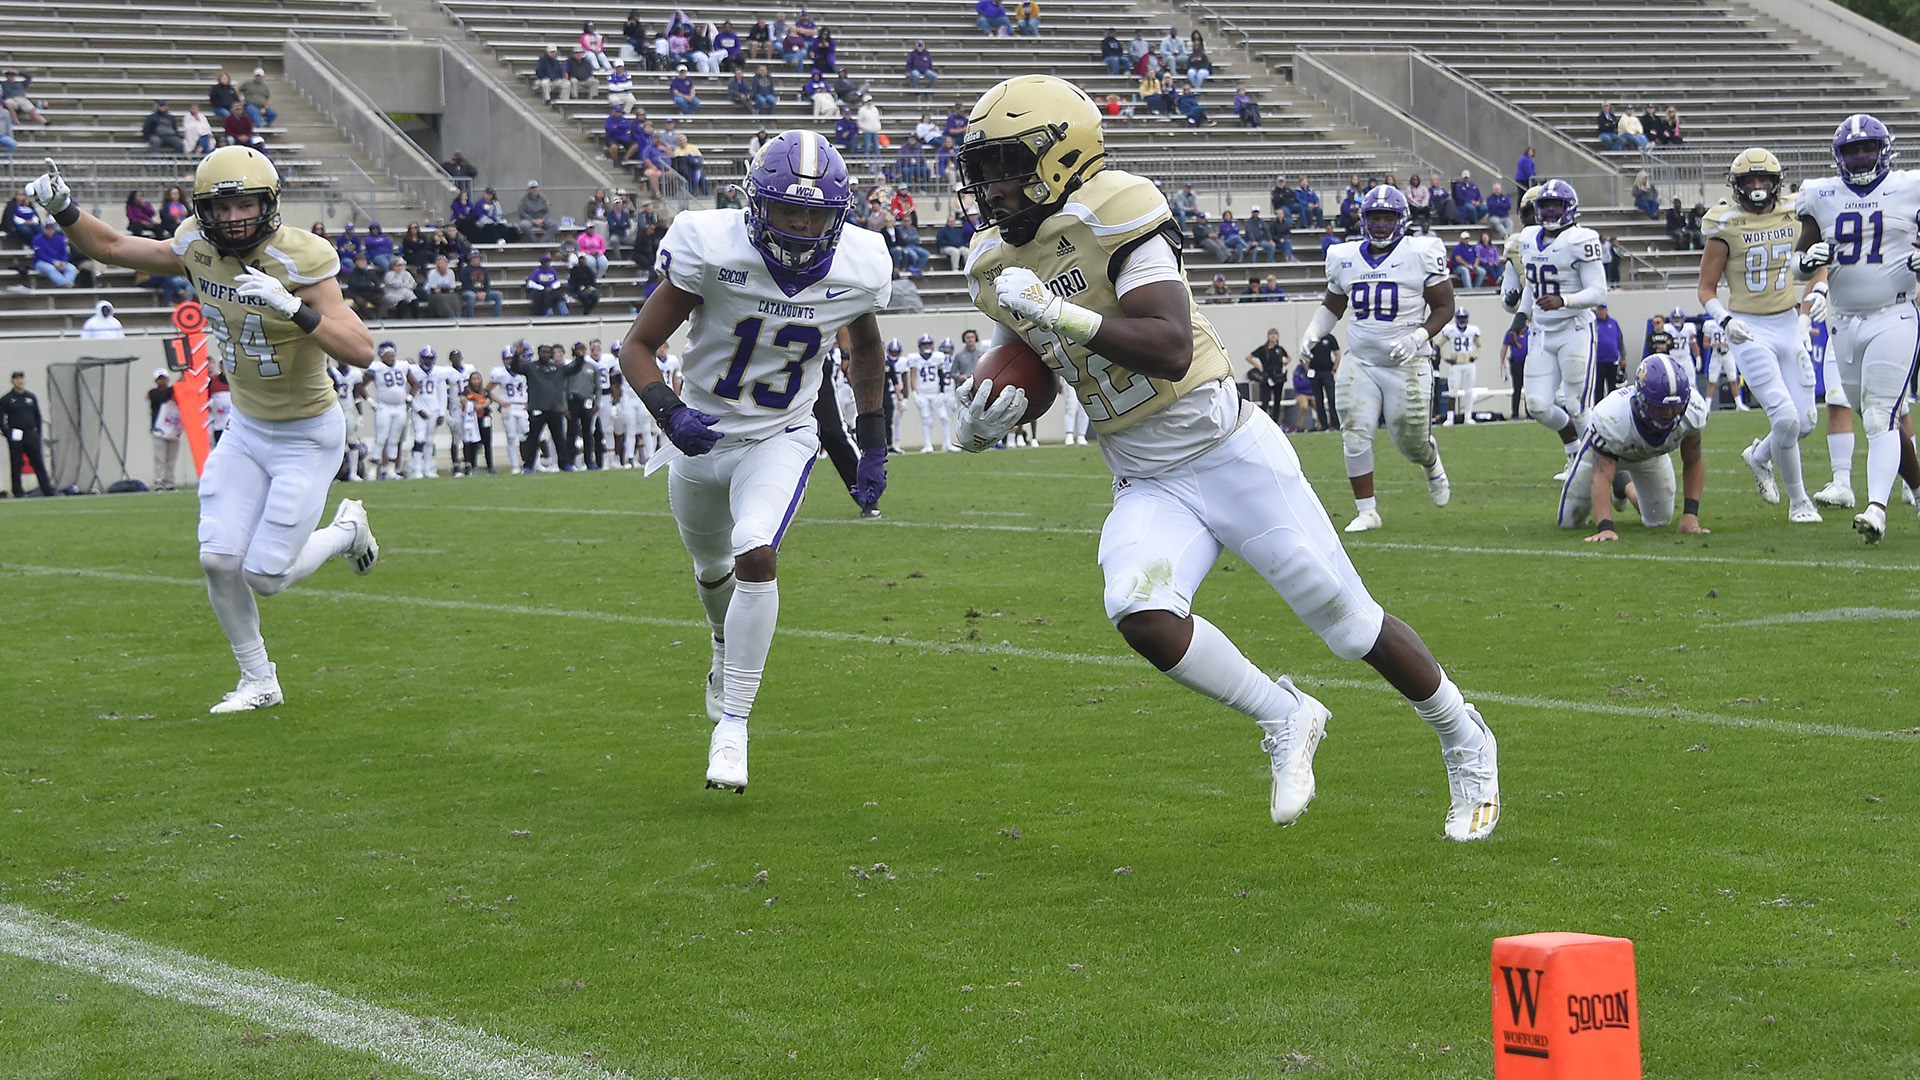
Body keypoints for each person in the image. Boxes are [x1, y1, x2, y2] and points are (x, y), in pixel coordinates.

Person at [953, 75, 1498, 839]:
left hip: (1226, 449)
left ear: (1062, 154)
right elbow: (1035, 362)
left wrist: (1059, 310)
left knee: (1348, 623)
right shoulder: (989, 260)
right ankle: (1285, 713)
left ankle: (1464, 736)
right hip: (1142, 473)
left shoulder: (1115, 209)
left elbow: (1169, 347)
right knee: (1140, 612)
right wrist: (989, 415)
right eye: (980, 170)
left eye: (1005, 164)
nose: (990, 187)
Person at [28, 148, 378, 708]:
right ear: (202, 209)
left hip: (307, 433)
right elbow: (113, 247)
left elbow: (361, 350)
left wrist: (295, 309)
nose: (234, 217)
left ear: (270, 204)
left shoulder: (303, 259)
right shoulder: (195, 243)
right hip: (246, 426)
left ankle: (345, 529)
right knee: (218, 559)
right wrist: (65, 208)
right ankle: (259, 679)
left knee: (266, 574)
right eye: (222, 205)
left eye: (246, 203)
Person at [615, 131, 893, 794]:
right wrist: (668, 412)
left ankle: (732, 726)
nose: (801, 227)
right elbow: (639, 346)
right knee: (711, 568)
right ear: (755, 205)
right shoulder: (709, 247)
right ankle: (721, 647)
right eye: (788, 211)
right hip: (700, 435)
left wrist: (873, 441)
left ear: (840, 214)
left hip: (780, 435)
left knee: (755, 548)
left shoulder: (860, 264)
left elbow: (867, 350)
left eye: (816, 214)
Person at [1795, 114, 1920, 542]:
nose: (1861, 156)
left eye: (1867, 148)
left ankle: (1877, 509)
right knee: (1874, 414)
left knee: (1879, 414)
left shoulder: (1910, 186)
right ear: (1838, 157)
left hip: (1894, 313)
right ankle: (1919, 489)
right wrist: (1806, 265)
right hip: (1843, 321)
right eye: (1852, 151)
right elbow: (1798, 260)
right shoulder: (1821, 195)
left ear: (1884, 151)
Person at [1304, 185, 1455, 532]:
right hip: (1361, 361)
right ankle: (1367, 510)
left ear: (1401, 221)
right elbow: (1333, 306)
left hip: (1408, 362)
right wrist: (1313, 332)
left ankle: (1430, 462)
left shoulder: (1422, 252)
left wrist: (1418, 337)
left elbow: (1445, 307)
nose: (1382, 226)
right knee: (1355, 433)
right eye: (1375, 218)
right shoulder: (1345, 256)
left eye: (1388, 219)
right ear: (1363, 221)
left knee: (1411, 442)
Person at [1698, 151, 1821, 519]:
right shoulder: (1725, 223)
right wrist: (1725, 320)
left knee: (1807, 420)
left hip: (1788, 323)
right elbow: (1705, 288)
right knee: (1785, 418)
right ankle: (1800, 502)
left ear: (1775, 182)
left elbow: (1818, 262)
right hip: (1749, 329)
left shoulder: (1795, 211)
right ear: (1737, 186)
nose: (1756, 187)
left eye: (1763, 180)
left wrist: (1810, 305)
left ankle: (1760, 455)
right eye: (1749, 181)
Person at [1504, 179, 1606, 479]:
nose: (1549, 212)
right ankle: (1575, 452)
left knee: (1578, 405)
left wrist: (1565, 300)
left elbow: (1599, 292)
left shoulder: (1581, 239)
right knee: (1536, 405)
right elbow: (1533, 287)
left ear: (1569, 208)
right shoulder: (1527, 238)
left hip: (1575, 329)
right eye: (1544, 206)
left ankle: (1601, 466)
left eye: (1555, 206)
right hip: (1542, 333)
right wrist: (1520, 318)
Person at [1561, 355, 1710, 542]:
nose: (1670, 414)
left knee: (1658, 520)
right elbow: (1601, 474)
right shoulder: (1613, 416)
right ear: (1642, 401)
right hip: (1606, 452)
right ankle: (1617, 481)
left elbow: (1693, 461)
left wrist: (1690, 515)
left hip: (1650, 456)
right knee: (1570, 521)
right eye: (1661, 408)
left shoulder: (1692, 411)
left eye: (1676, 407)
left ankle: (1624, 486)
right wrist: (1605, 527)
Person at [1439, 310, 1481, 424]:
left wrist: (1475, 356)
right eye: (1460, 318)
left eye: (1464, 318)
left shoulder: (1472, 330)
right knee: (1453, 391)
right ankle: (1450, 418)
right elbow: (1438, 345)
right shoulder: (1450, 330)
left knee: (1469, 391)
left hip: (1469, 363)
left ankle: (1468, 417)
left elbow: (1480, 346)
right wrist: (1445, 358)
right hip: (1456, 364)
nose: (1462, 320)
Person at [1245, 328, 1288, 423]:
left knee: (1277, 400)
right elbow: (1249, 357)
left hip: (1278, 377)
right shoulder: (1263, 349)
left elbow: (1288, 357)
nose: (1273, 336)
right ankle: (1264, 421)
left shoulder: (1279, 350)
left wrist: (1284, 363)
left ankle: (1276, 421)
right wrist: (1259, 367)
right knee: (1265, 400)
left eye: (1275, 334)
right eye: (1271, 334)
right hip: (1267, 377)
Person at [31, 221, 78, 287]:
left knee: (72, 268)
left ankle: (67, 283)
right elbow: (40, 254)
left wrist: (64, 262)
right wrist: (53, 262)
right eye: (47, 228)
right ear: (43, 229)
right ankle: (64, 284)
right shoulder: (37, 239)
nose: (49, 230)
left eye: (51, 228)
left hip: (59, 261)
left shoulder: (60, 239)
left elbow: (64, 253)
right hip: (41, 262)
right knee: (51, 268)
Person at [1592, 302, 1624, 399]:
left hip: (1612, 360)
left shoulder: (1613, 323)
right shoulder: (1593, 323)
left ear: (1606, 310)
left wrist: (1623, 356)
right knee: (1598, 388)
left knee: (1612, 387)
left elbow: (1620, 340)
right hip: (1598, 362)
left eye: (1603, 309)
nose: (1601, 311)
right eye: (1599, 309)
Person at [1500, 318, 1527, 419]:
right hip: (1516, 363)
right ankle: (1515, 413)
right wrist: (1502, 363)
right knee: (1517, 388)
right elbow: (1504, 348)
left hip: (1527, 362)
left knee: (1528, 388)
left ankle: (1529, 413)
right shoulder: (1511, 333)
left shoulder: (1528, 332)